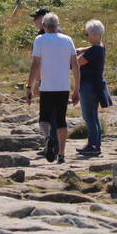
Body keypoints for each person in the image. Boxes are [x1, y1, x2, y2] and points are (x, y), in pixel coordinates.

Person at [25, 12, 79, 164]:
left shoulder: (40, 39)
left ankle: (48, 137)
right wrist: (76, 88)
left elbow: (35, 64)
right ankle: (61, 154)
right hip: (63, 86)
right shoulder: (68, 40)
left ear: (44, 25)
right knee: (61, 120)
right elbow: (75, 66)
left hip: (47, 86)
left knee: (44, 118)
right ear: (57, 25)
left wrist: (29, 86)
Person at [76, 19, 113, 157]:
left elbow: (77, 62)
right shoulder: (100, 47)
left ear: (95, 35)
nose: (87, 36)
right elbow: (91, 48)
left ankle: (93, 145)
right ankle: (95, 144)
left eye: (89, 34)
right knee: (93, 116)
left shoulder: (94, 51)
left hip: (88, 86)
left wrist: (72, 54)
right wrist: (81, 49)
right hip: (96, 85)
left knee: (89, 116)